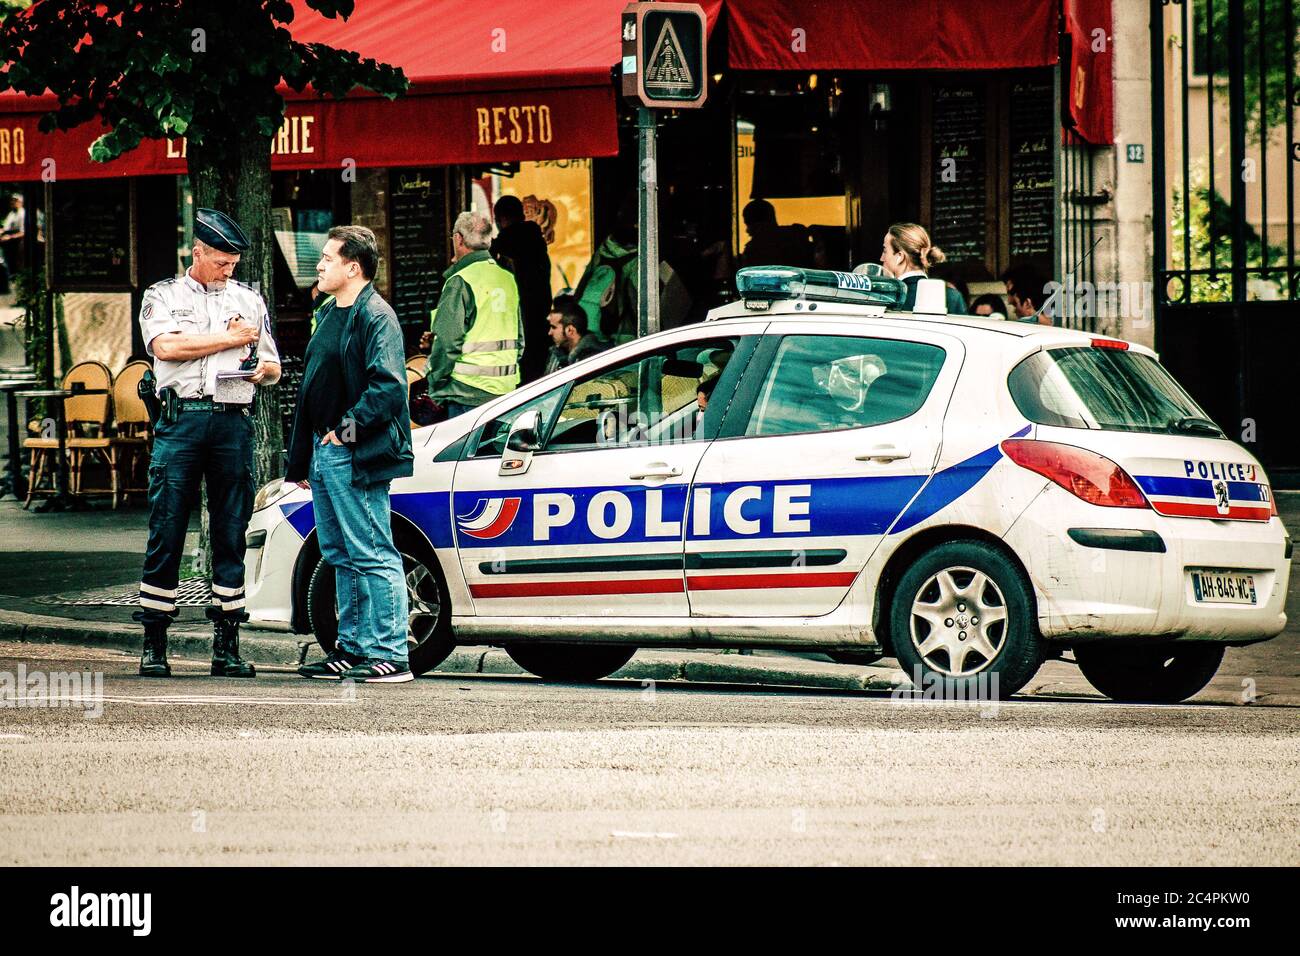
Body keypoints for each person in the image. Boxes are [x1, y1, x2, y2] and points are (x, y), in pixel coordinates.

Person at [135, 208, 282, 678]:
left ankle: (227, 645)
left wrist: (263, 370)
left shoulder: (248, 299)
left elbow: (273, 362)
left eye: (233, 264)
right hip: (180, 421)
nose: (227, 272)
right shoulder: (162, 295)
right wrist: (227, 339)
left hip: (231, 421)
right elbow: (167, 348)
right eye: (220, 262)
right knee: (168, 527)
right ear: (197, 252)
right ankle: (154, 643)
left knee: (230, 530)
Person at [288, 225, 415, 684]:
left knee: (373, 551)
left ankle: (390, 654)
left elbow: (388, 388)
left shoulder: (377, 316)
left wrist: (344, 433)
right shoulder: (328, 312)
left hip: (355, 453)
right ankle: (353, 647)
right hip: (326, 453)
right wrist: (302, 460)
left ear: (353, 267)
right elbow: (311, 387)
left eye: (327, 258)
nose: (319, 265)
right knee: (340, 552)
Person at [426, 211, 523, 419]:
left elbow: (447, 343)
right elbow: (520, 342)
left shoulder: (460, 280)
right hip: (505, 392)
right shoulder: (507, 279)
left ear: (458, 239)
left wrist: (436, 384)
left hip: (467, 394)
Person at [490, 195, 552, 384]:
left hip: (514, 324)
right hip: (540, 321)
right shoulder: (537, 241)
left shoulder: (501, 249)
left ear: (499, 219)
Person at [879, 222, 967, 314]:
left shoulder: (887, 298)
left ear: (900, 256)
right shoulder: (952, 296)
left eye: (885, 251)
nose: (881, 258)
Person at [544, 294, 607, 375]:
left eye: (553, 327)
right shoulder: (557, 354)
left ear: (570, 330)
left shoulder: (590, 361)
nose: (549, 333)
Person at [740, 199, 812, 269]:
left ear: (757, 225)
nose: (747, 230)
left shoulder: (754, 250)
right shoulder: (796, 237)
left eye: (749, 224)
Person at [0, 193, 25, 295]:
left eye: (15, 200)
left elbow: (23, 232)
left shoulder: (22, 214)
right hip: (8, 242)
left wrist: (9, 237)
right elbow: (5, 228)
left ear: (20, 202)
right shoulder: (11, 214)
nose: (12, 202)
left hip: (17, 243)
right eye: (12, 200)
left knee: (16, 268)